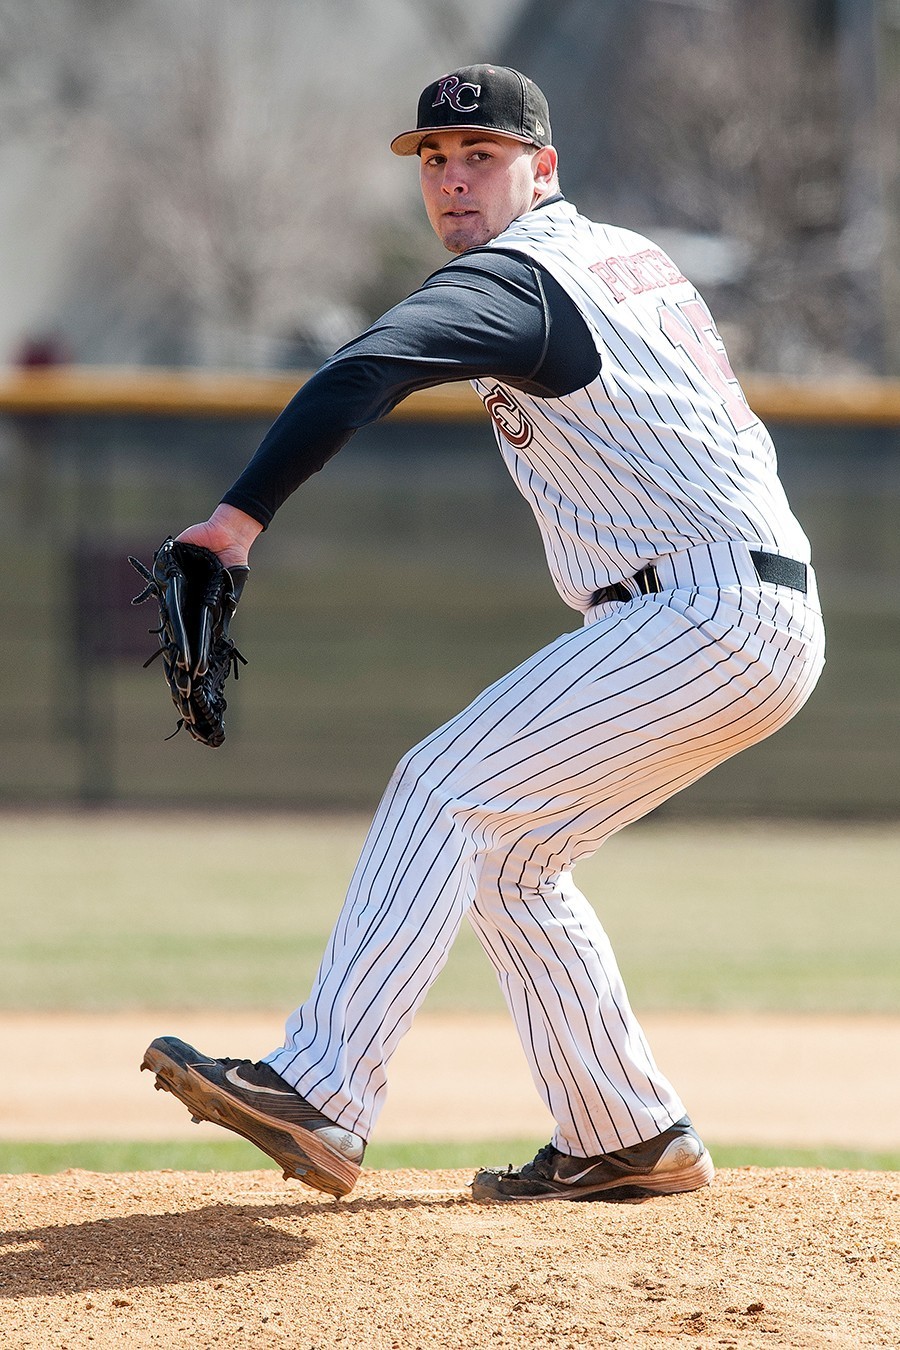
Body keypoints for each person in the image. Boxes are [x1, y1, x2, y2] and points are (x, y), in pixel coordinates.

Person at [143, 65, 825, 1203]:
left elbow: (365, 368)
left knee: (441, 784)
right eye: (436, 160)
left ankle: (324, 1090)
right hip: (744, 609)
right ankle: (626, 1130)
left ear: (541, 169)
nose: (455, 181)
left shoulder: (529, 279)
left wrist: (233, 520)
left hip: (702, 610)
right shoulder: (620, 259)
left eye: (484, 157)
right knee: (510, 858)